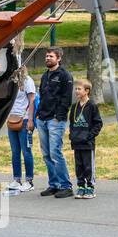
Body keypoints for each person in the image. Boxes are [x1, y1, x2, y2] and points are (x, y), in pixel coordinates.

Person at [34, 47, 74, 198]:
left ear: (59, 58)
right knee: (46, 154)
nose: (47, 58)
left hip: (55, 120)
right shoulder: (45, 76)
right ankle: (54, 184)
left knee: (55, 152)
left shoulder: (65, 76)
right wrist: (38, 115)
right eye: (46, 56)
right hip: (42, 119)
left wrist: (59, 116)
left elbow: (66, 99)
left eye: (51, 56)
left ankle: (66, 186)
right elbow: (42, 97)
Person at [67, 79, 103, 198]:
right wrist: (72, 135)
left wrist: (89, 136)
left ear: (87, 91)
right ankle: (81, 186)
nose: (76, 91)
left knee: (88, 166)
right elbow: (72, 122)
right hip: (77, 142)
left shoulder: (92, 106)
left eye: (79, 89)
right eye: (75, 89)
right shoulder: (74, 106)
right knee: (79, 165)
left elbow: (98, 123)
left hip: (87, 143)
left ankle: (90, 187)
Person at [5, 57, 36, 193]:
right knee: (15, 151)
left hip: (23, 120)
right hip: (12, 119)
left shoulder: (27, 81)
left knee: (26, 151)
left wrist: (30, 120)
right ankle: (16, 179)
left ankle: (29, 181)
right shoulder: (12, 82)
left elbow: (32, 100)